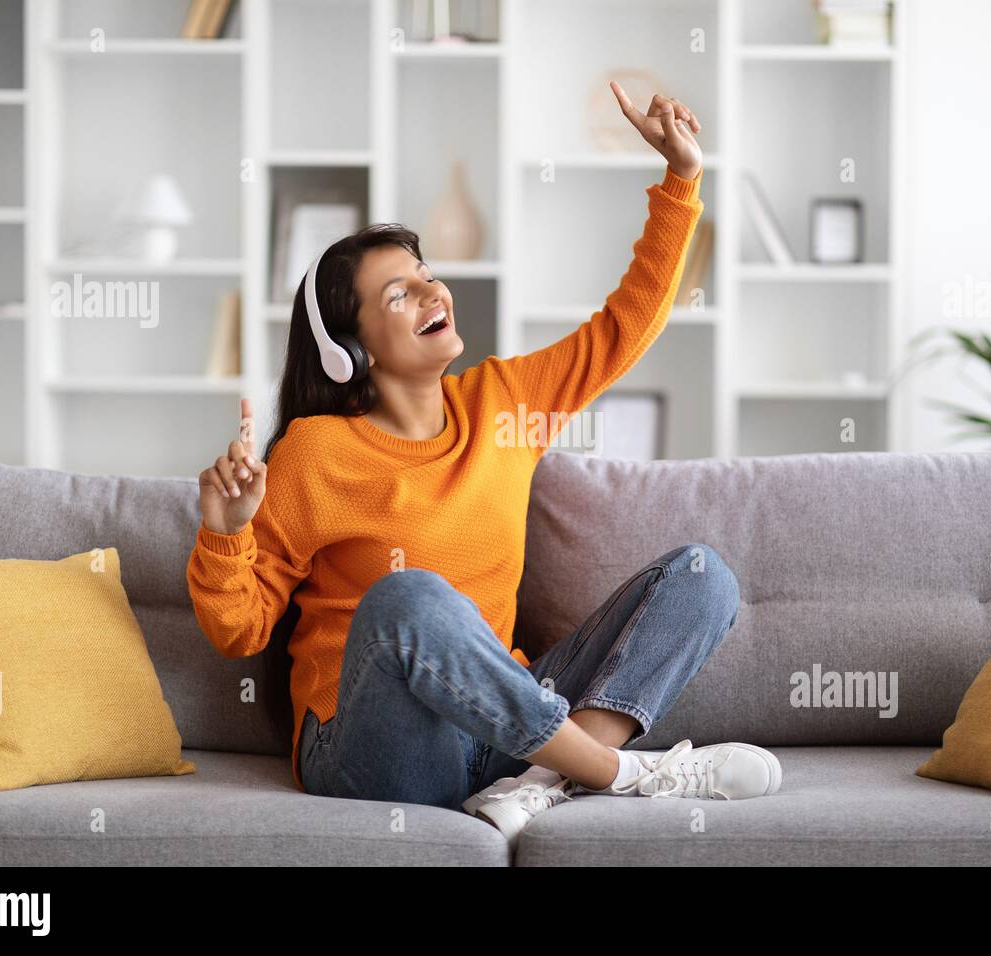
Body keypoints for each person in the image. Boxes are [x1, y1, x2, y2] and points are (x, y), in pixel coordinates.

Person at [186, 82, 782, 847]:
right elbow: (239, 632)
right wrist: (227, 533)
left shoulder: (504, 403)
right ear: (350, 352)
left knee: (705, 576)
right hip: (377, 754)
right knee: (408, 597)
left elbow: (625, 325)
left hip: (495, 743)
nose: (432, 290)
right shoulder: (315, 453)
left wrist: (681, 179)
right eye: (398, 294)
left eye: (425, 273)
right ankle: (615, 773)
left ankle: (534, 787)